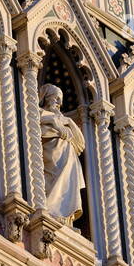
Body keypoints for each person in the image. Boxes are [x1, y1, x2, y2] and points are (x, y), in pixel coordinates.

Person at [39, 84, 85, 221]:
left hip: (68, 156)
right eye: (56, 98)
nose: (59, 103)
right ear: (46, 98)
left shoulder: (64, 119)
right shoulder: (39, 111)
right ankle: (50, 209)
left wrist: (70, 121)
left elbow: (81, 143)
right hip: (51, 152)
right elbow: (30, 118)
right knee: (54, 178)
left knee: (68, 183)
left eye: (60, 100)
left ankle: (64, 216)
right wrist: (54, 122)